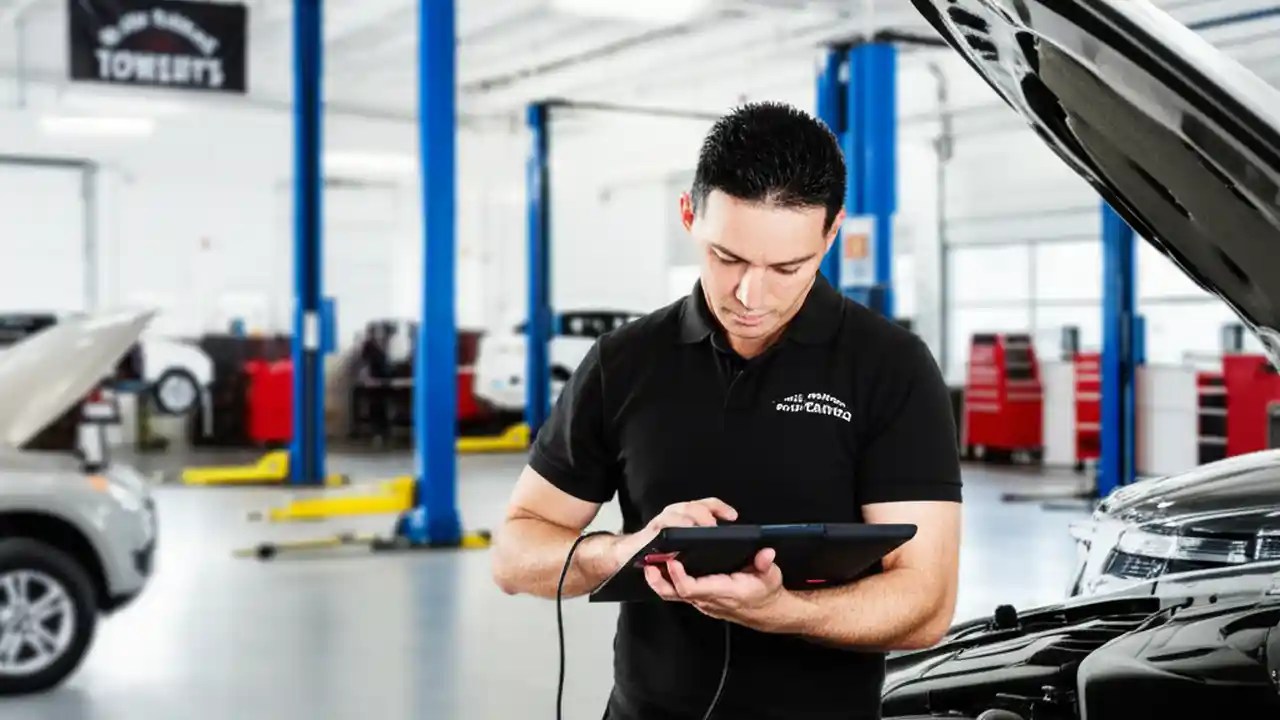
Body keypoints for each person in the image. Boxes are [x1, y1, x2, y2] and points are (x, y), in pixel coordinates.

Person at [490, 101, 963, 720]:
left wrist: (782, 613)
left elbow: (927, 602)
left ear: (832, 231)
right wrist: (626, 551)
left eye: (787, 267)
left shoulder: (891, 366)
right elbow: (514, 553)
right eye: (728, 257)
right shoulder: (623, 362)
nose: (750, 295)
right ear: (689, 215)